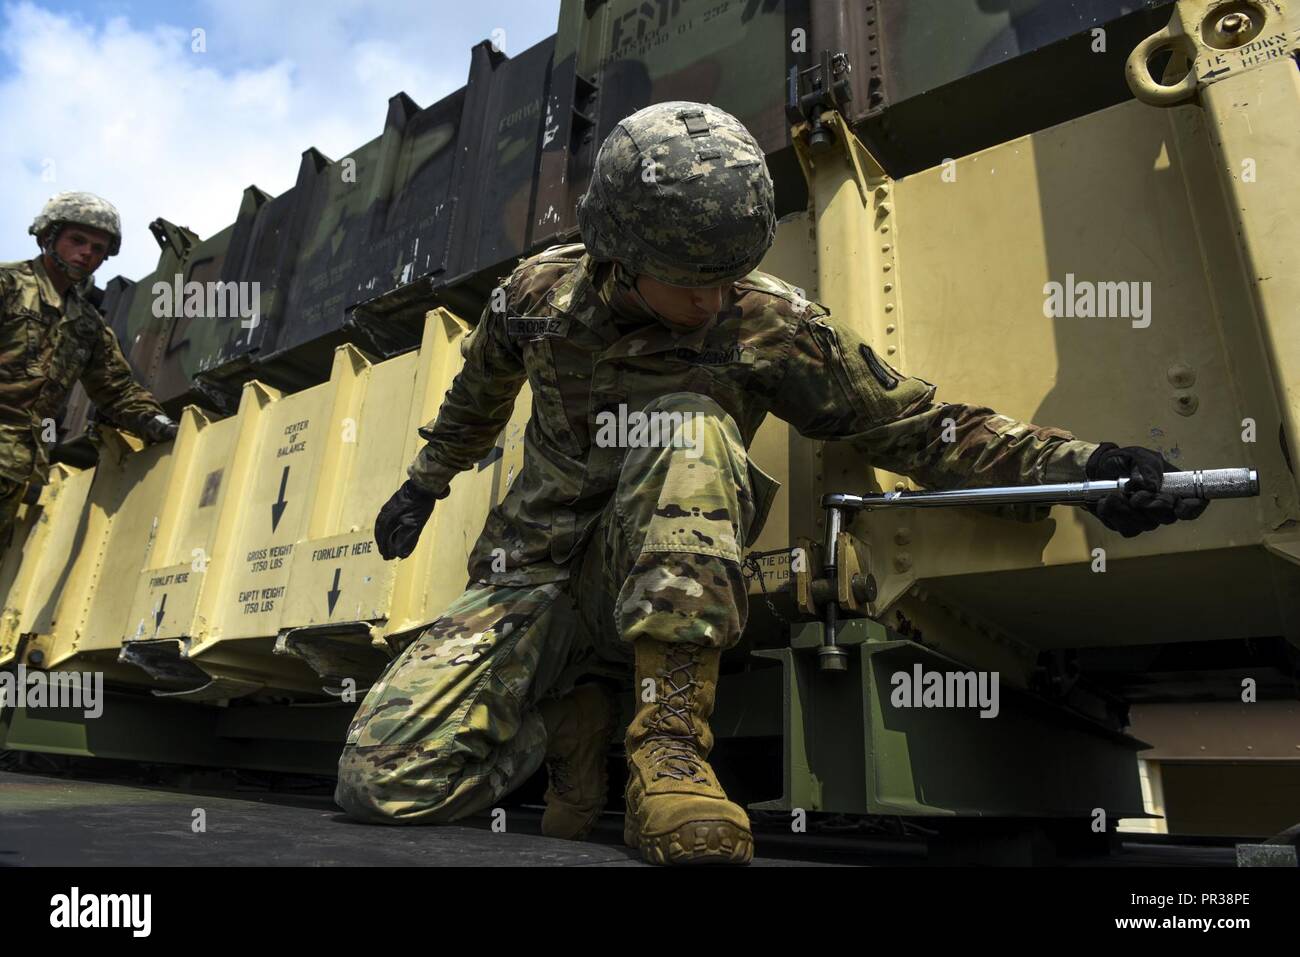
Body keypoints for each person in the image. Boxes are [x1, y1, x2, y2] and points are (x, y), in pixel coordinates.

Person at [337, 102, 1208, 865]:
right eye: (693, 285)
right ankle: (574, 720)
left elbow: (915, 425)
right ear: (620, 252)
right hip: (531, 576)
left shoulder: (772, 326)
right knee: (382, 781)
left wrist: (1084, 468)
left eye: (730, 277)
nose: (716, 303)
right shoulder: (536, 297)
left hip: (671, 569)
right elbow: (475, 398)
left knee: (690, 424)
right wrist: (425, 483)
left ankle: (669, 750)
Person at [1, 192, 177, 555]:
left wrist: (159, 422)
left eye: (98, 248)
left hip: (16, 474)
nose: (87, 253)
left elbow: (116, 389)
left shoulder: (86, 324)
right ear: (48, 238)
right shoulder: (8, 285)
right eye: (77, 240)